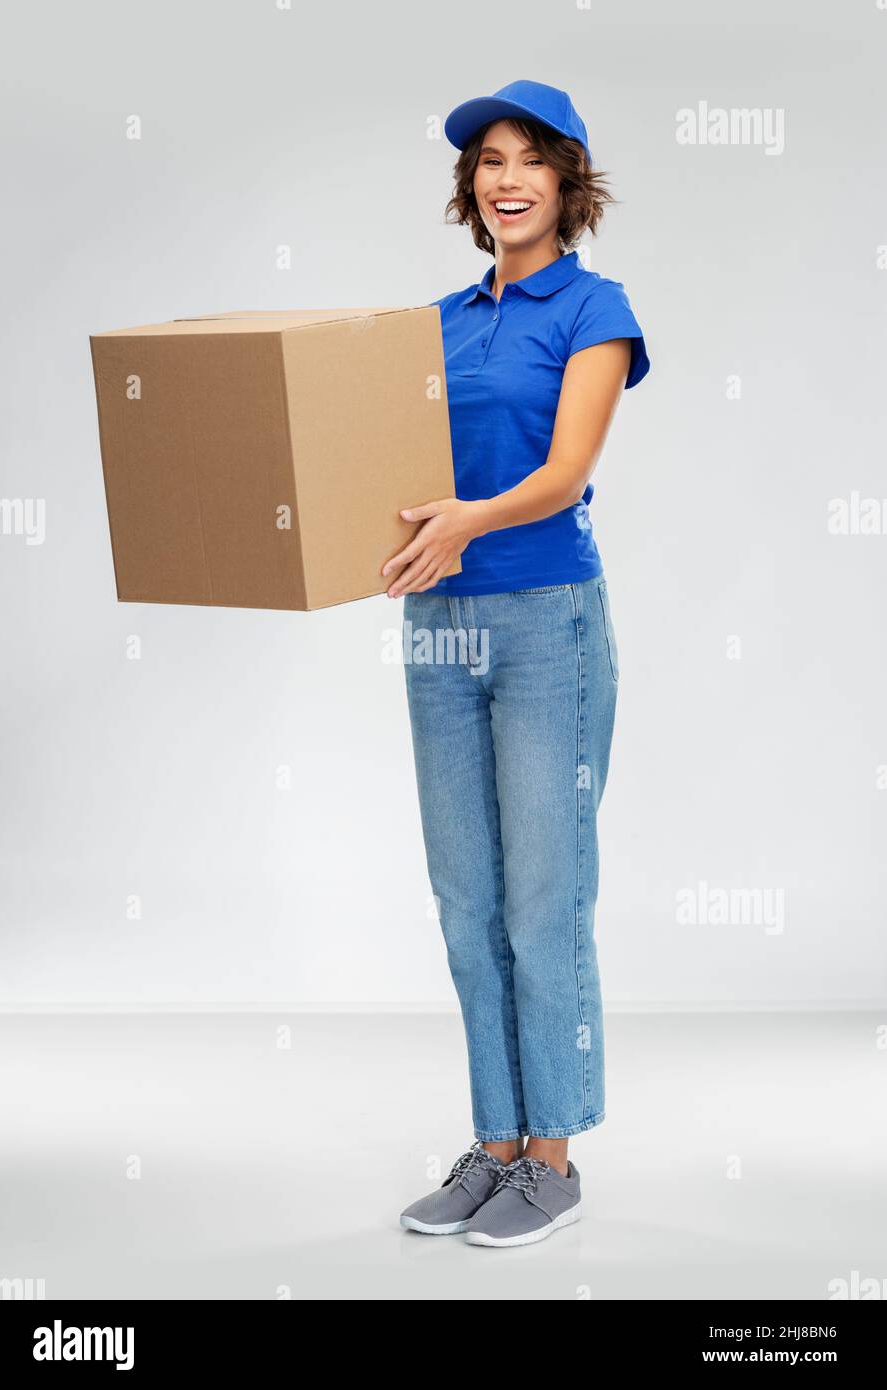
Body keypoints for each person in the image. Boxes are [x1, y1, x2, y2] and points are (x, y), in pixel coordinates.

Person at [381, 80, 651, 1249]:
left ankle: (554, 1156)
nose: (505, 178)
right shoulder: (434, 322)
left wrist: (461, 524)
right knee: (466, 896)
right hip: (439, 625)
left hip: (548, 626)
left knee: (546, 897)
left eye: (528, 160)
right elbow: (385, 465)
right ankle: (495, 1144)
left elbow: (563, 472)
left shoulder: (593, 306)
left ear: (565, 181)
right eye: (488, 160)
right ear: (469, 187)